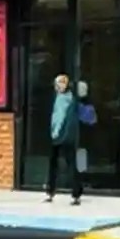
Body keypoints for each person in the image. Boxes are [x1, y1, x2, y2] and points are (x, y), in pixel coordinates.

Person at [44, 74, 83, 205]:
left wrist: (59, 133)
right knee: (54, 164)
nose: (58, 86)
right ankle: (51, 191)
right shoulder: (57, 98)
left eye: (61, 84)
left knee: (70, 164)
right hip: (56, 135)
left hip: (64, 136)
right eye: (57, 84)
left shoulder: (69, 100)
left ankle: (75, 194)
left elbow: (65, 119)